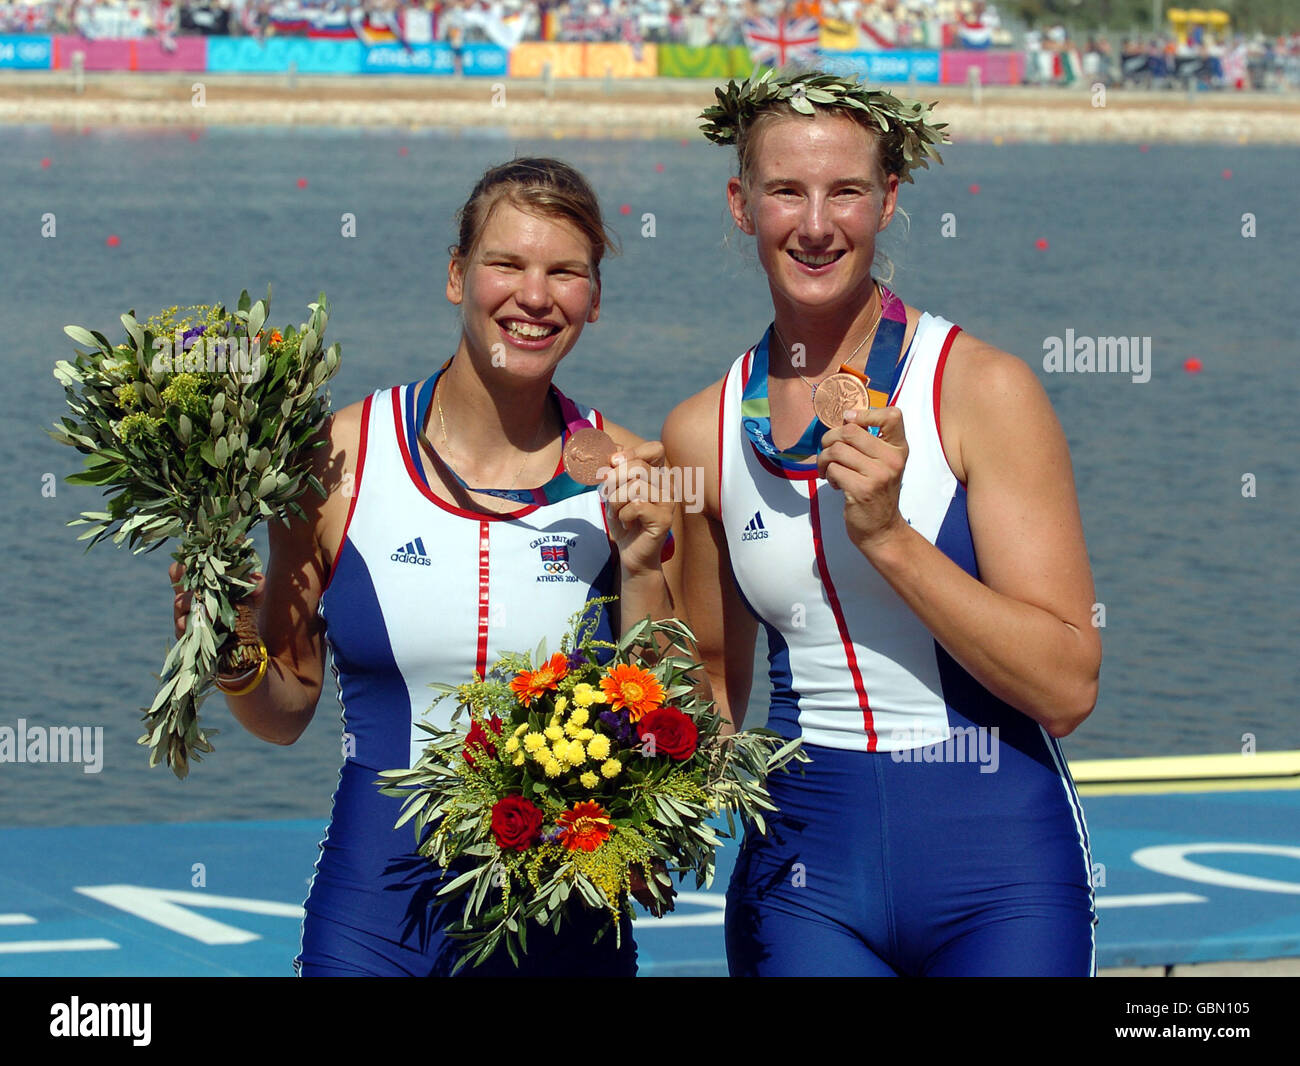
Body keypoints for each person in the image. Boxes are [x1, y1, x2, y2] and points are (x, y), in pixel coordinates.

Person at [170, 158, 676, 976]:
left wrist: (646, 566)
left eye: (566, 273)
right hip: (375, 906)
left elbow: (661, 730)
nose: (535, 297)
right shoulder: (335, 458)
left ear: (594, 298)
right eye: (506, 264)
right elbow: (286, 709)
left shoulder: (630, 474)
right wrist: (226, 646)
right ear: (456, 276)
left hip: (566, 904)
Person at [663, 70, 1100, 976]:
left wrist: (892, 540)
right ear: (742, 205)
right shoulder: (699, 429)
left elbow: (1066, 688)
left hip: (1000, 876)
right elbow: (708, 691)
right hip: (803, 877)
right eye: (786, 190)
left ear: (889, 201)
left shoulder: (982, 390)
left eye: (846, 192)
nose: (816, 225)